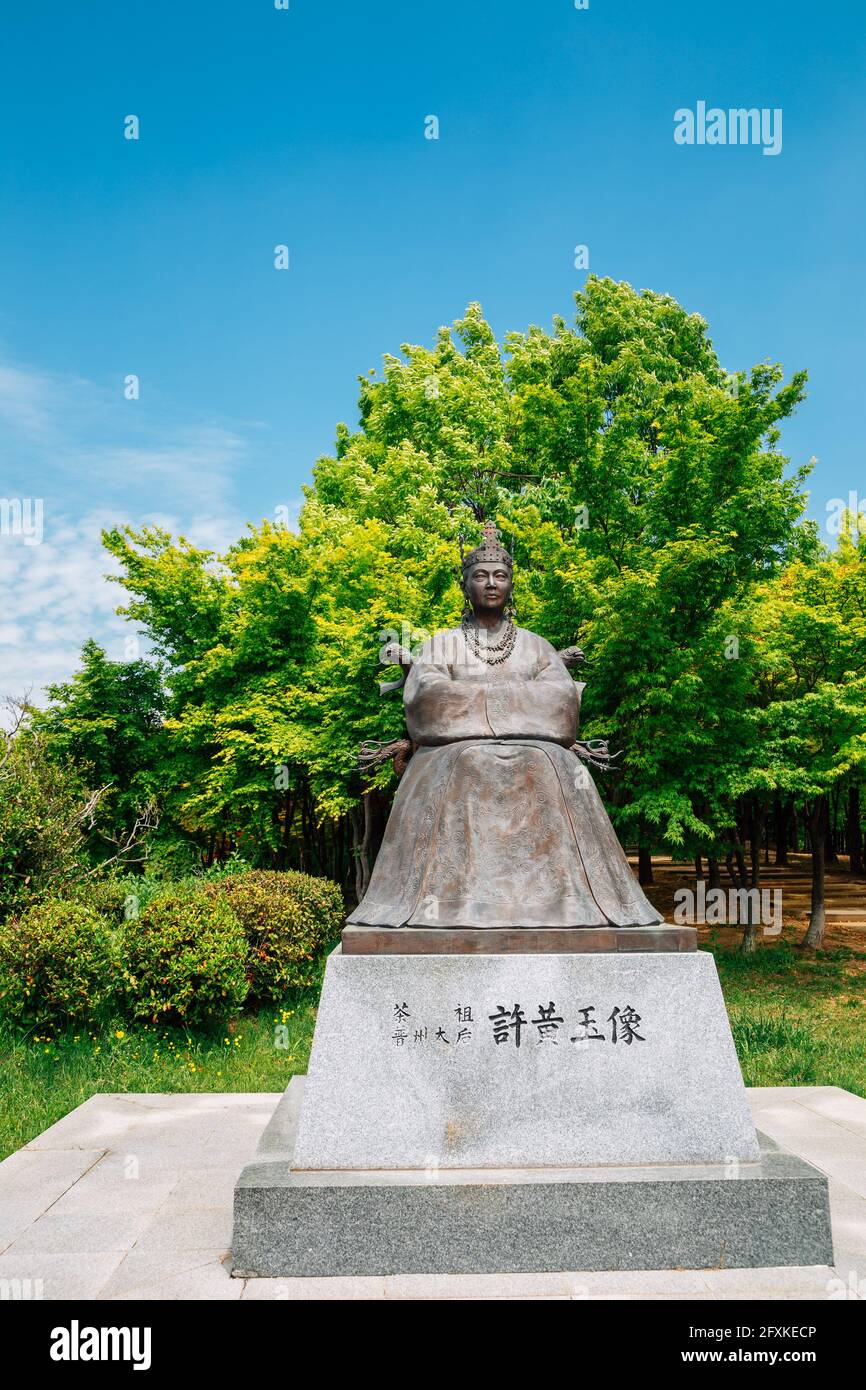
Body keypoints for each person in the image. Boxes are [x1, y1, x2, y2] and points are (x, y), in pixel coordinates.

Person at [346, 521, 662, 929]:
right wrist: (520, 700)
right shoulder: (441, 645)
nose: (491, 583)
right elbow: (428, 702)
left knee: (553, 762)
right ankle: (454, 903)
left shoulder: (537, 647)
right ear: (465, 585)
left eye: (500, 575)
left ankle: (567, 902)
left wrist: (472, 698)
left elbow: (562, 705)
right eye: (480, 576)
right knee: (472, 760)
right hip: (450, 756)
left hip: (540, 754)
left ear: (511, 585)